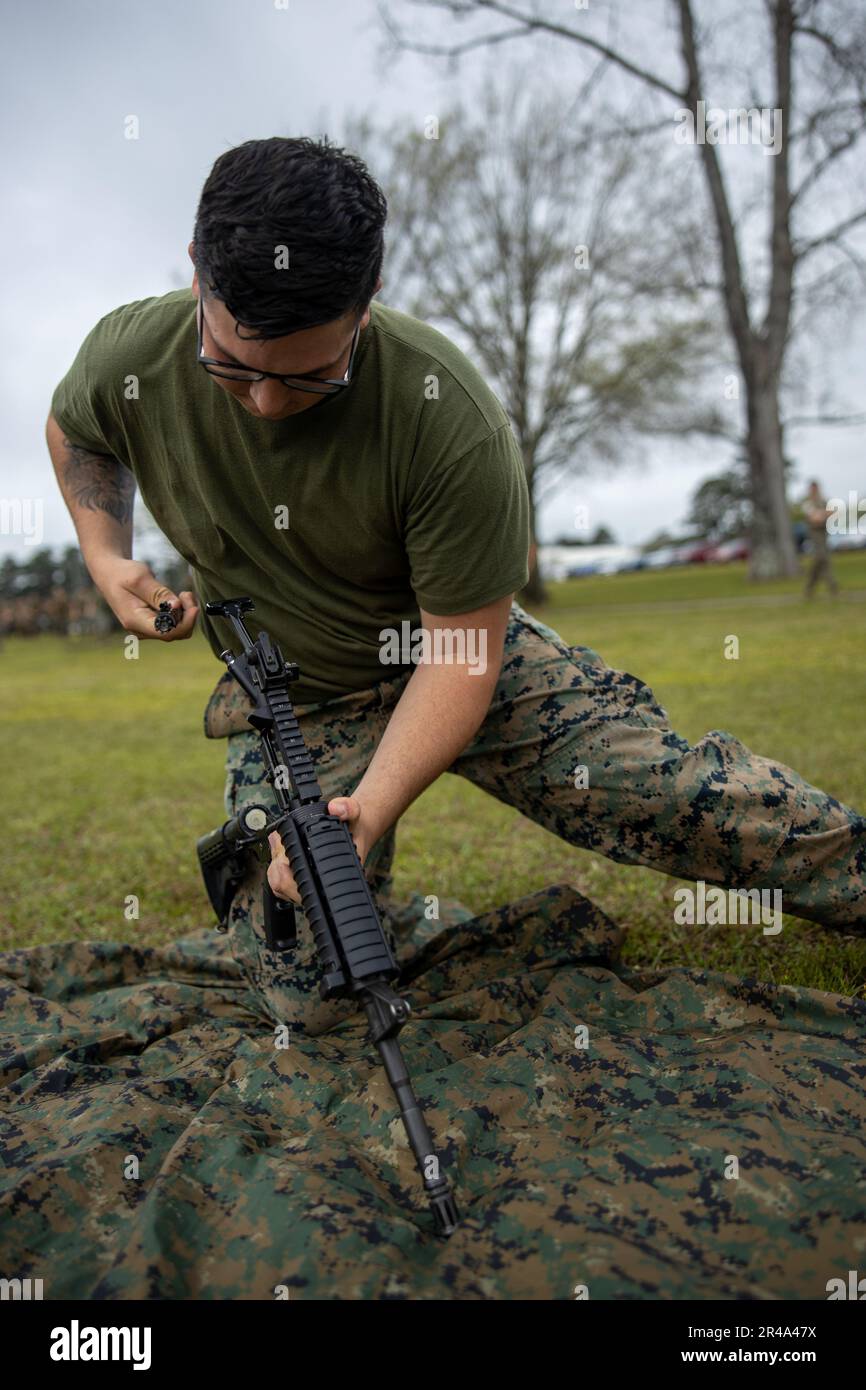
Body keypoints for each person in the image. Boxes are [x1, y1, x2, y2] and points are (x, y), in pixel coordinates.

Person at [47, 137, 865, 940]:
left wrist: (366, 814)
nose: (263, 403)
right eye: (231, 364)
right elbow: (74, 428)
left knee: (664, 794)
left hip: (454, 652)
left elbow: (460, 660)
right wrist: (105, 553)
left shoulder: (447, 417)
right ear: (196, 268)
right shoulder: (134, 355)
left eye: (305, 377)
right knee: (308, 975)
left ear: (366, 300)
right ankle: (384, 924)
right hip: (300, 699)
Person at [803, 479, 839, 598]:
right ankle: (832, 586)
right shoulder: (808, 503)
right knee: (823, 558)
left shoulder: (823, 501)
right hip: (815, 536)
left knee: (819, 561)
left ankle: (809, 589)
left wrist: (821, 514)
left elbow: (832, 512)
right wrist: (823, 514)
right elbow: (814, 519)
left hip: (823, 534)